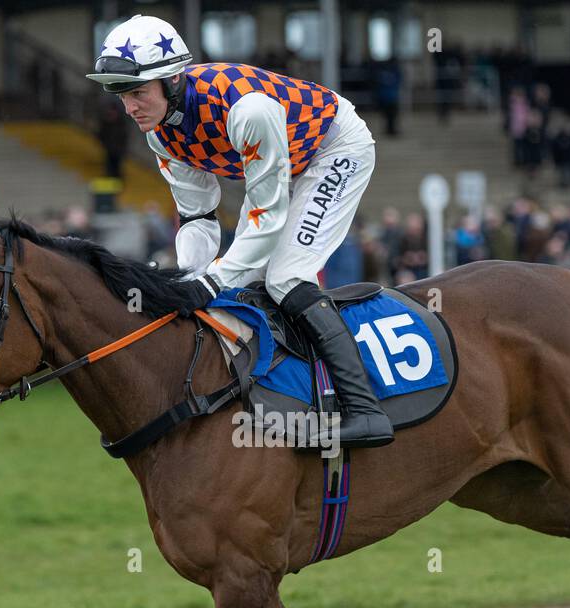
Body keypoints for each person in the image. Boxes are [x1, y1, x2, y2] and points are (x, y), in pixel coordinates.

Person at [84, 14, 392, 447]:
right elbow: (198, 218)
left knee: (286, 277)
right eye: (120, 95)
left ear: (173, 81)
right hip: (282, 166)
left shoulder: (247, 109)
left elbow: (268, 217)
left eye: (137, 92)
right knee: (235, 281)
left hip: (333, 149)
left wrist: (212, 281)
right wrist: (189, 280)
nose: (130, 107)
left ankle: (365, 409)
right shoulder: (160, 135)